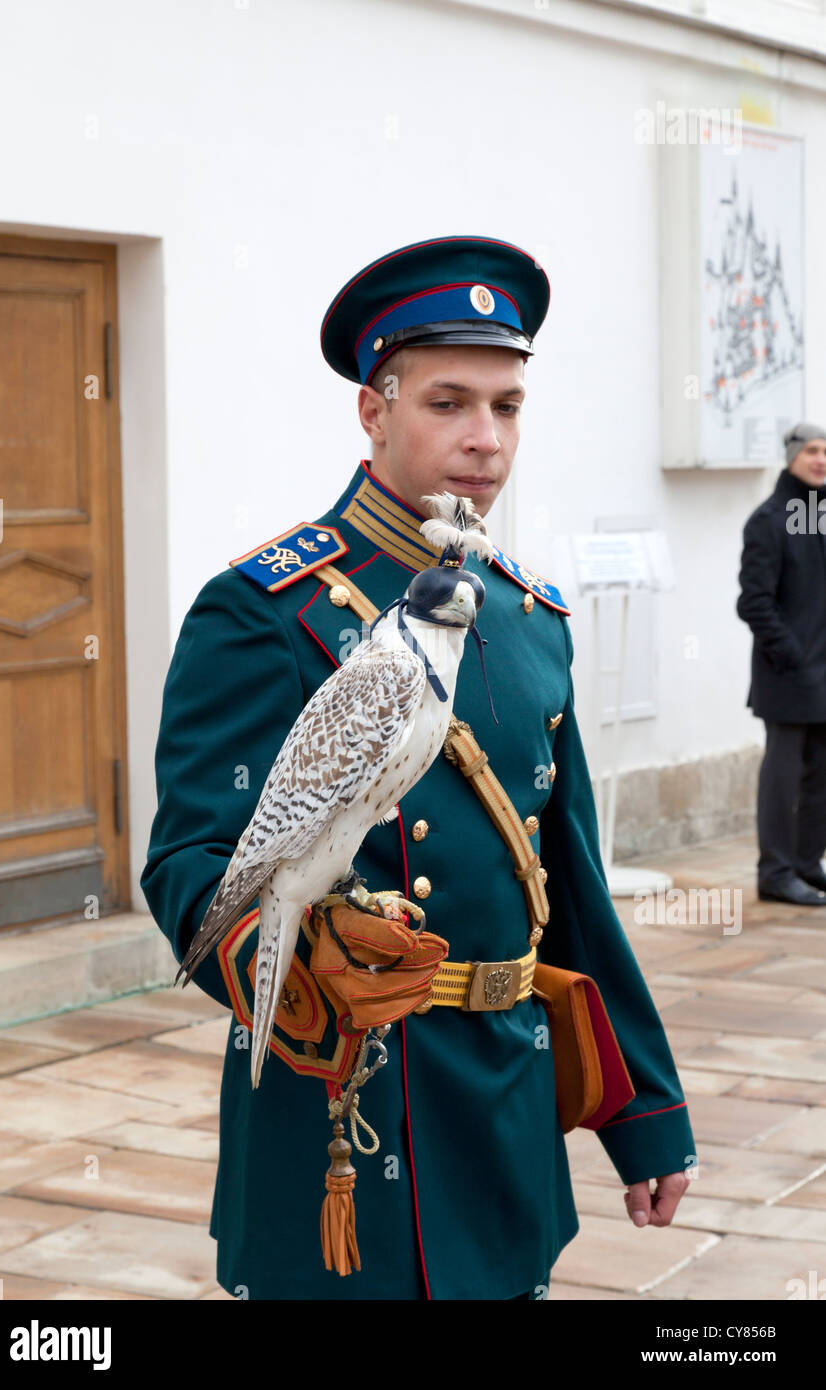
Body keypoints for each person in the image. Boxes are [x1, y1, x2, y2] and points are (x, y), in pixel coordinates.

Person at [141, 236, 695, 1301]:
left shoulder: (530, 619)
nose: (484, 439)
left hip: (502, 1107)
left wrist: (645, 1112)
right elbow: (190, 861)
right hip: (341, 1108)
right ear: (373, 409)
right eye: (447, 403)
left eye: (507, 405)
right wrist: (302, 968)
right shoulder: (266, 613)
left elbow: (566, 879)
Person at [737, 423, 826, 907]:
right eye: (811, 450)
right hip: (788, 674)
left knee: (821, 775)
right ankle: (776, 872)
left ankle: (808, 865)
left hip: (823, 671)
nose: (820, 459)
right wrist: (790, 653)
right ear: (792, 455)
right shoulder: (769, 519)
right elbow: (753, 602)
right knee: (784, 777)